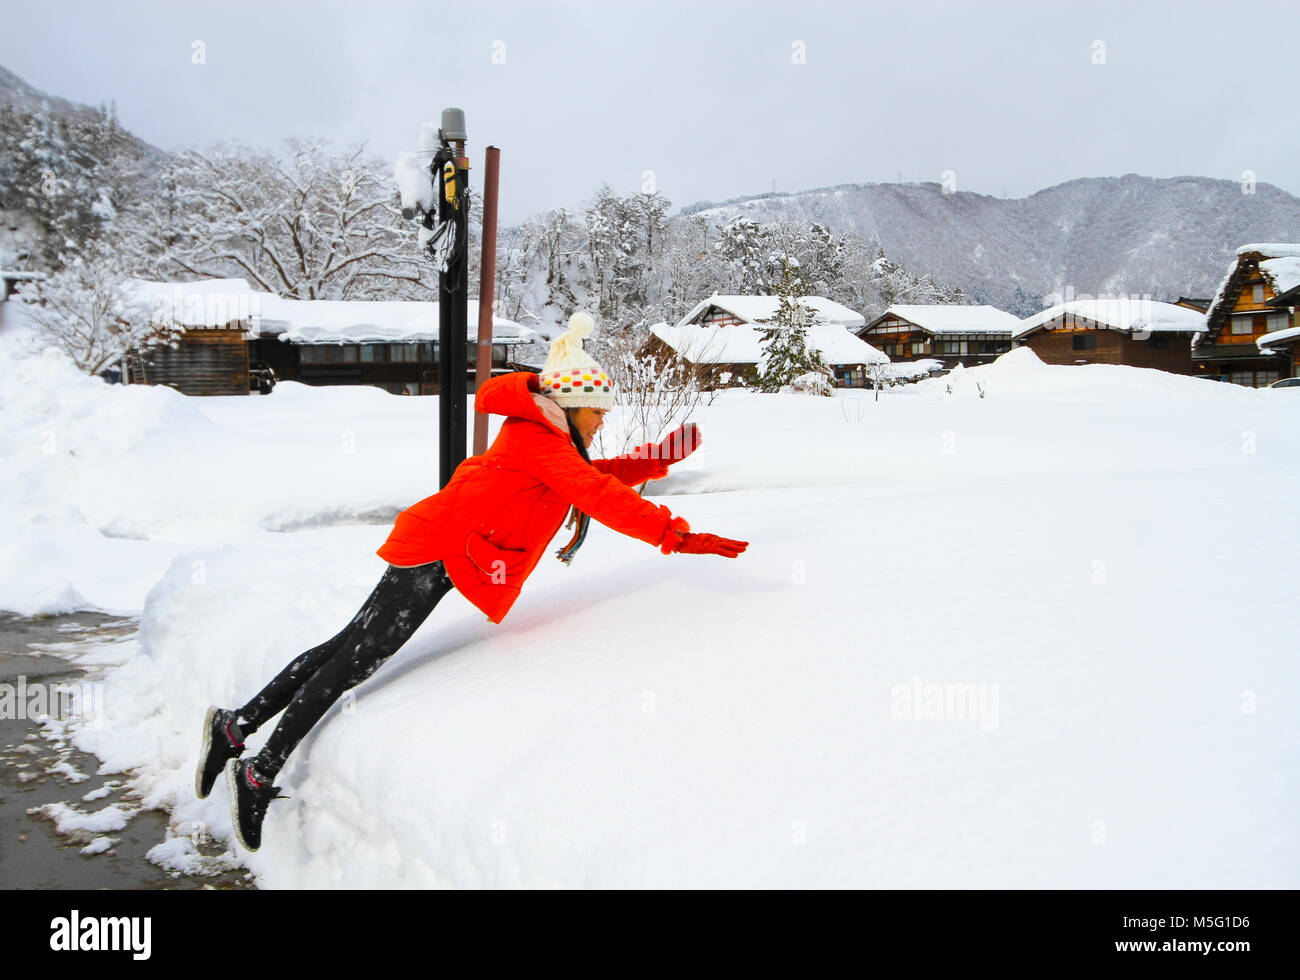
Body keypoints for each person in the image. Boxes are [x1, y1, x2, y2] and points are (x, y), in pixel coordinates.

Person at [196, 311, 749, 851]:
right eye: (599, 412)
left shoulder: (544, 437)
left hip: (442, 546)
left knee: (345, 648)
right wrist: (679, 536)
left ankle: (235, 727)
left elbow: (585, 478)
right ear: (574, 407)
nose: (602, 422)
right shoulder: (539, 439)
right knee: (353, 661)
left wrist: (651, 462)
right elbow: (594, 494)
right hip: (436, 550)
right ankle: (259, 770)